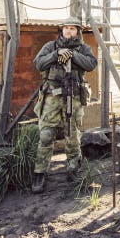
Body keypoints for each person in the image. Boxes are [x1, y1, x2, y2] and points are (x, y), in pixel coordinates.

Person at [31, 17, 98, 194]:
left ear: (78, 32)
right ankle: (40, 172)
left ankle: (73, 167)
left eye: (72, 29)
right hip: (52, 95)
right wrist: (56, 54)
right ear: (62, 30)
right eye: (66, 29)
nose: (68, 32)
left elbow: (92, 64)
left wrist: (74, 55)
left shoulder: (84, 48)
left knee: (72, 133)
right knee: (46, 134)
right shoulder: (50, 46)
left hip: (73, 96)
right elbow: (38, 63)